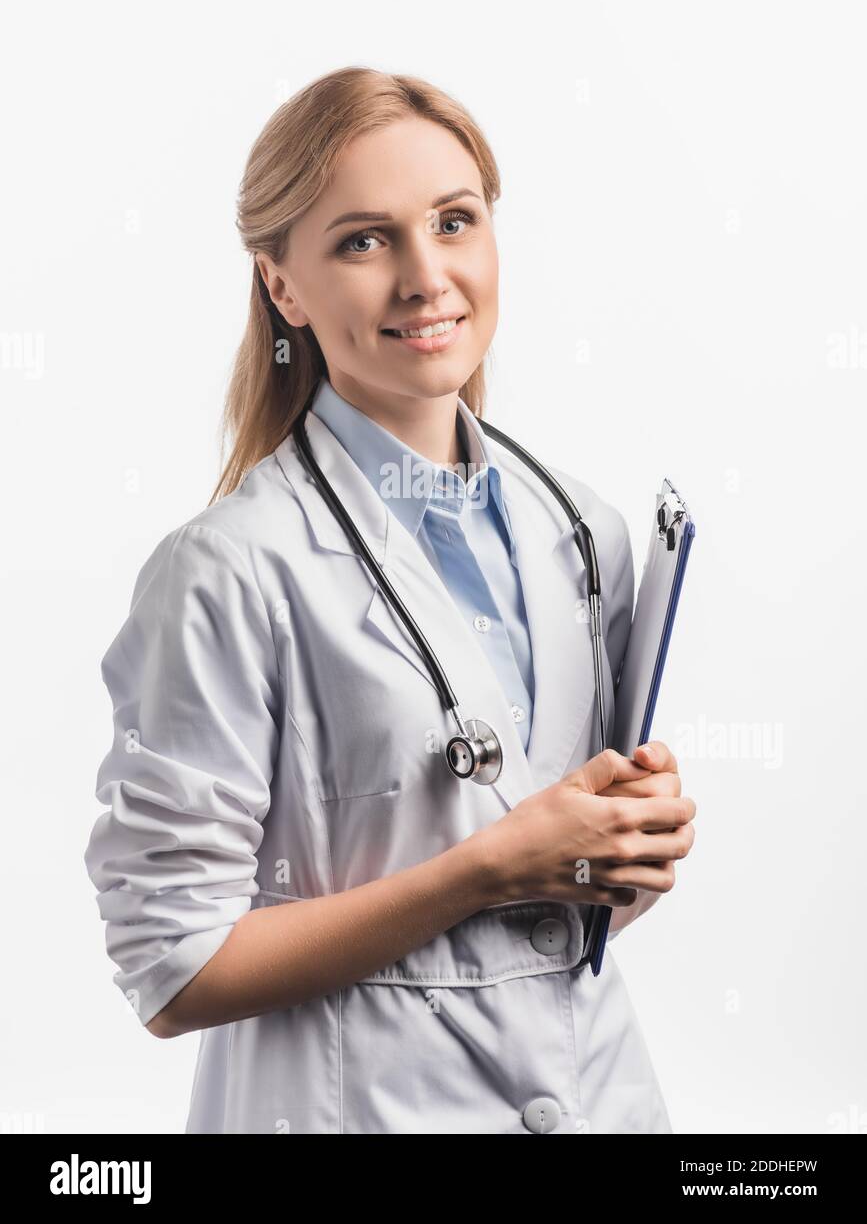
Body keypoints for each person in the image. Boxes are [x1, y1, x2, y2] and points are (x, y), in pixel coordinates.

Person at [84, 66, 696, 1135]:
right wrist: (484, 870)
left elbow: (554, 906)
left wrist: (621, 851)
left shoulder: (583, 533)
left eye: (454, 221)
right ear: (285, 288)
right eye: (365, 241)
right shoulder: (228, 574)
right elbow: (173, 968)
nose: (426, 277)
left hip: (603, 1096)